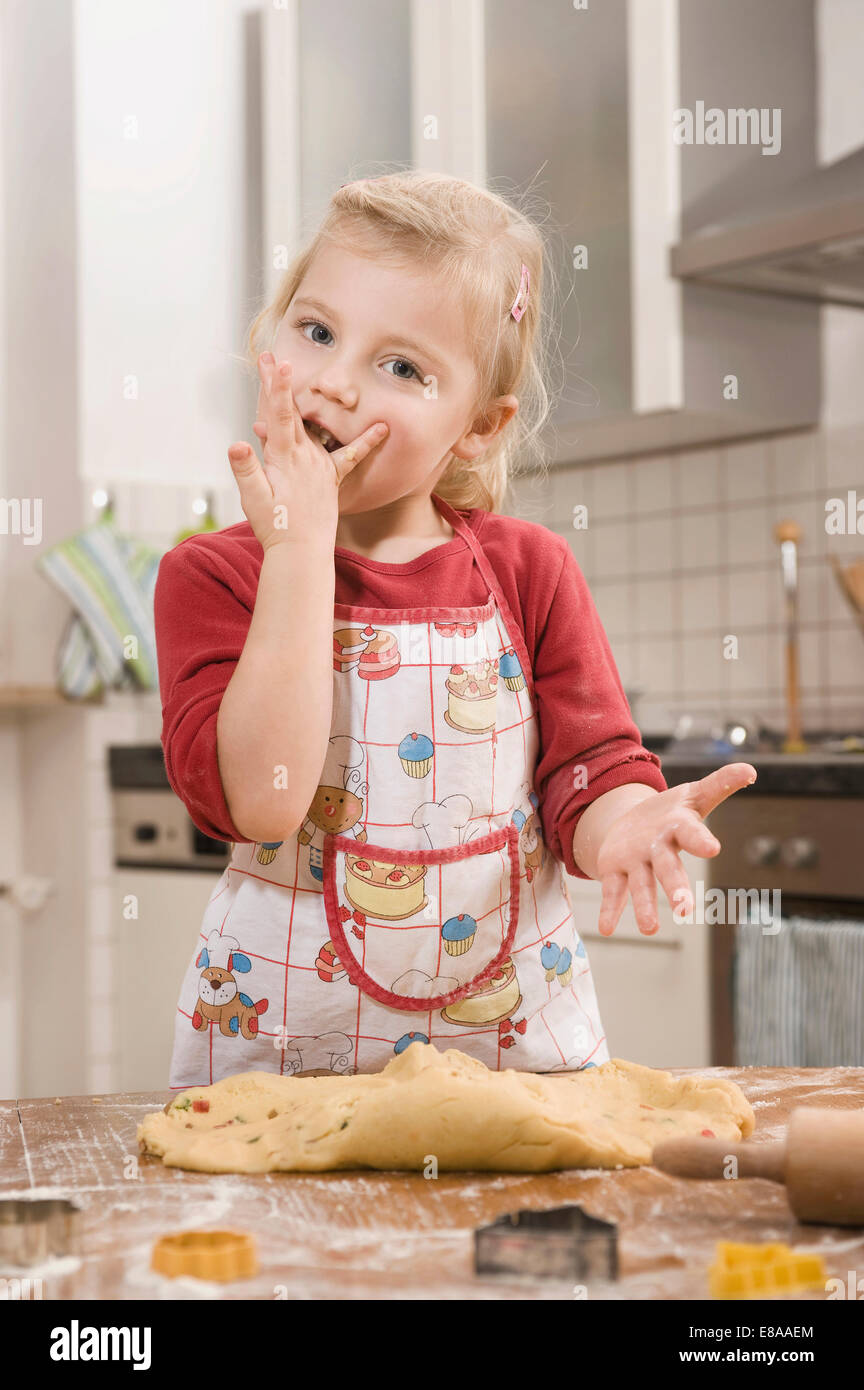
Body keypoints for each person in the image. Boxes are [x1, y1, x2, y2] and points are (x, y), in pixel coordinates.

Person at [155, 170, 755, 1087]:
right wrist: (299, 552)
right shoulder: (213, 576)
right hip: (282, 1079)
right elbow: (265, 801)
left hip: (513, 1071)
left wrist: (626, 824)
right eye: (316, 332)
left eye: (402, 367)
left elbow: (586, 773)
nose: (338, 383)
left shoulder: (529, 570)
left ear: (479, 425)